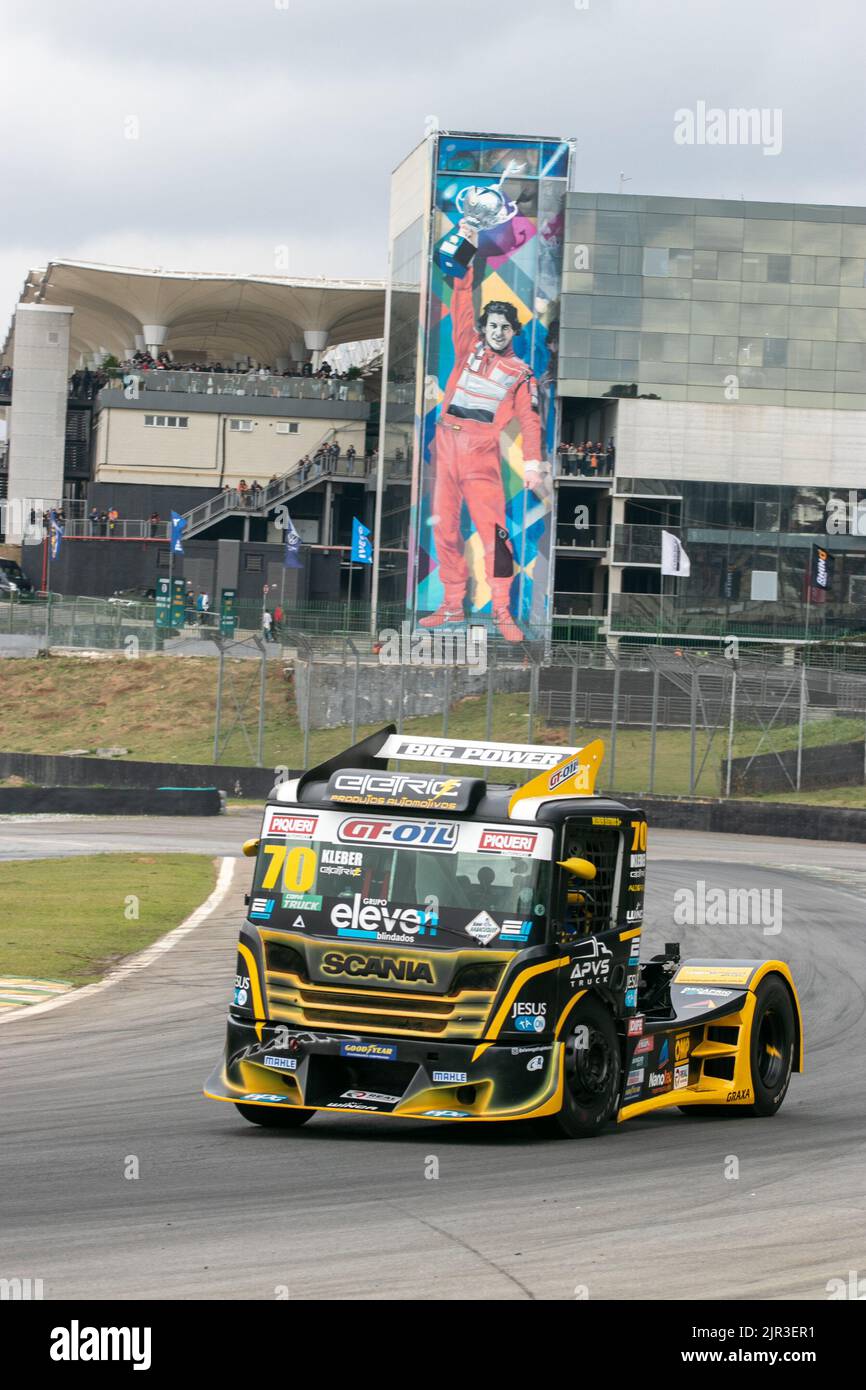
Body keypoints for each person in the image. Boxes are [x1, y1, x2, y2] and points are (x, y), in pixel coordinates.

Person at [420, 222, 551, 642]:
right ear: (484, 326)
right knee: (445, 529)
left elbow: (530, 421)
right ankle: (452, 603)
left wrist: (533, 465)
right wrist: (469, 246)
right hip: (446, 443)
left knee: (495, 533)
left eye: (504, 327)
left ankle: (501, 608)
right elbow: (461, 293)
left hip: (480, 452)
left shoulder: (521, 373)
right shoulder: (467, 345)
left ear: (514, 332)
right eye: (491, 324)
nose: (497, 331)